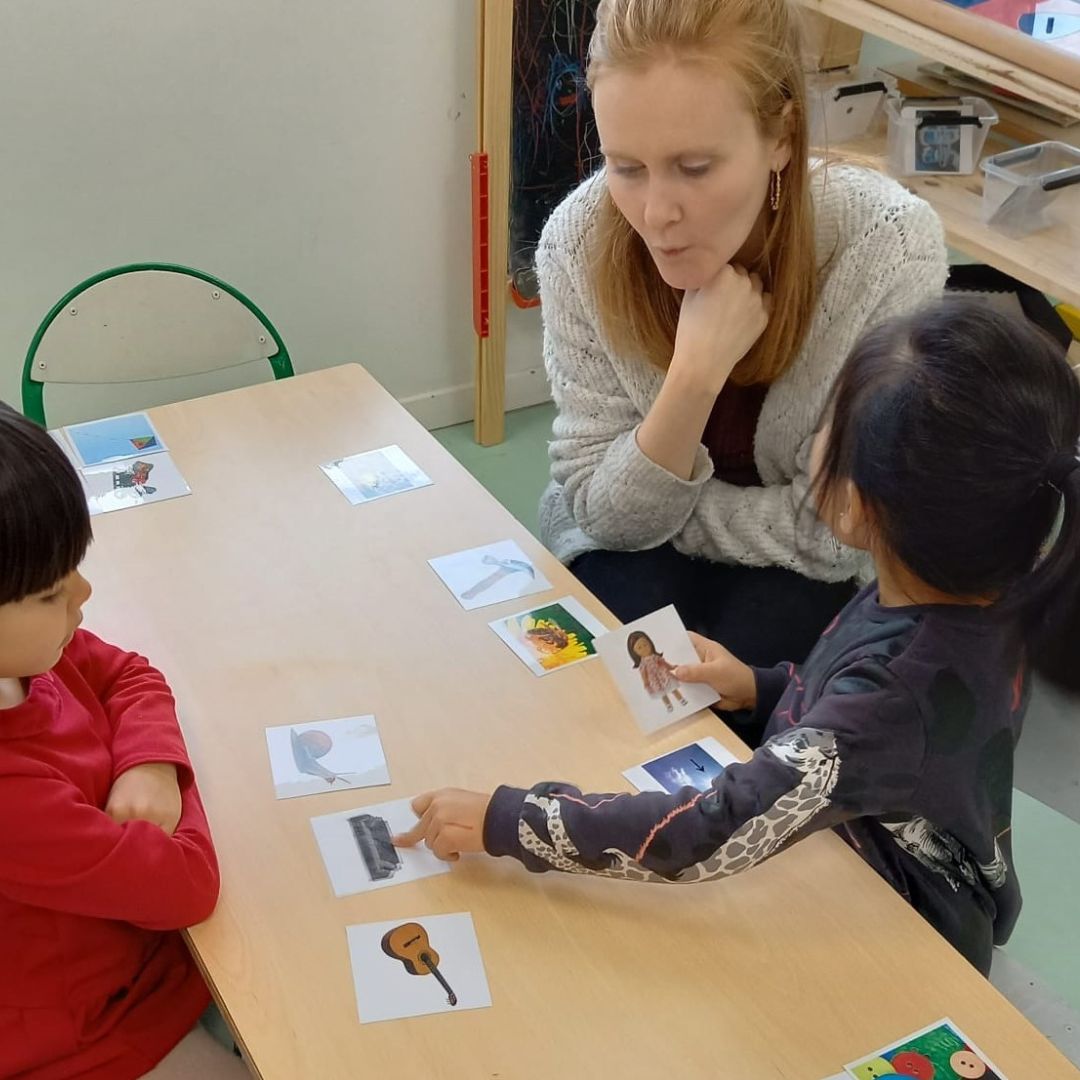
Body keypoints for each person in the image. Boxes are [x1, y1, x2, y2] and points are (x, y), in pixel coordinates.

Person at [397, 298, 1080, 975]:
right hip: (890, 861)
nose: (812, 444)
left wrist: (512, 819)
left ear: (857, 506)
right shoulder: (984, 586)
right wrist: (761, 686)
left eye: (826, 429)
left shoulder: (891, 693)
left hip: (896, 933)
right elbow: (892, 726)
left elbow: (703, 832)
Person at [538, 0, 948, 670]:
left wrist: (668, 501)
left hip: (792, 568)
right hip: (646, 544)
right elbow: (604, 517)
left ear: (781, 135)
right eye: (625, 167)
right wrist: (695, 373)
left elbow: (836, 535)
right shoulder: (576, 243)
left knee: (755, 695)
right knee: (608, 674)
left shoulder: (889, 247)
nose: (656, 214)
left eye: (695, 167)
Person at [0, 402, 247, 1078]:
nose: (84, 592)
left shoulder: (31, 653)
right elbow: (187, 888)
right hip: (92, 1034)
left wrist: (151, 765)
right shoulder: (12, 802)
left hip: (142, 955)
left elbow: (130, 673)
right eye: (51, 592)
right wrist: (165, 804)